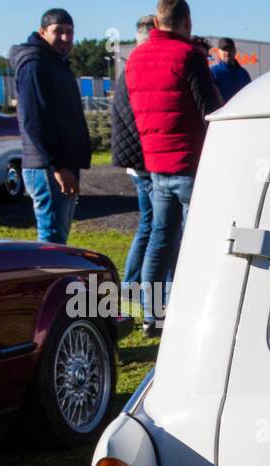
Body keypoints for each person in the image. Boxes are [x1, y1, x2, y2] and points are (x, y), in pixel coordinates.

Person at [125, 0, 220, 332]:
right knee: (198, 240)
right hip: (190, 163)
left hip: (156, 164)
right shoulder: (188, 56)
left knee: (159, 240)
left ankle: (153, 314)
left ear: (156, 20)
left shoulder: (136, 58)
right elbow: (208, 108)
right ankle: (191, 308)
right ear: (187, 21)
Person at [8, 8, 92, 244]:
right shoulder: (34, 64)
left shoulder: (55, 63)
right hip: (47, 168)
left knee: (58, 238)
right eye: (58, 31)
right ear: (42, 32)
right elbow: (34, 121)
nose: (65, 38)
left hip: (59, 165)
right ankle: (48, 281)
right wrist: (58, 166)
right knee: (51, 241)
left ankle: (55, 279)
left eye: (70, 32)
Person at [113, 16, 157, 300]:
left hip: (139, 160)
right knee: (154, 228)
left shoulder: (130, 67)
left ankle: (131, 287)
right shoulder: (137, 69)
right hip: (145, 162)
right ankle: (136, 290)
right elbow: (135, 120)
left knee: (148, 225)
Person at [210, 37, 252, 104]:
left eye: (230, 49)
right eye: (224, 50)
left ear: (235, 51)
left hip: (242, 112)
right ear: (218, 52)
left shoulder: (244, 73)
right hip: (223, 113)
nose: (227, 52)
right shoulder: (213, 73)